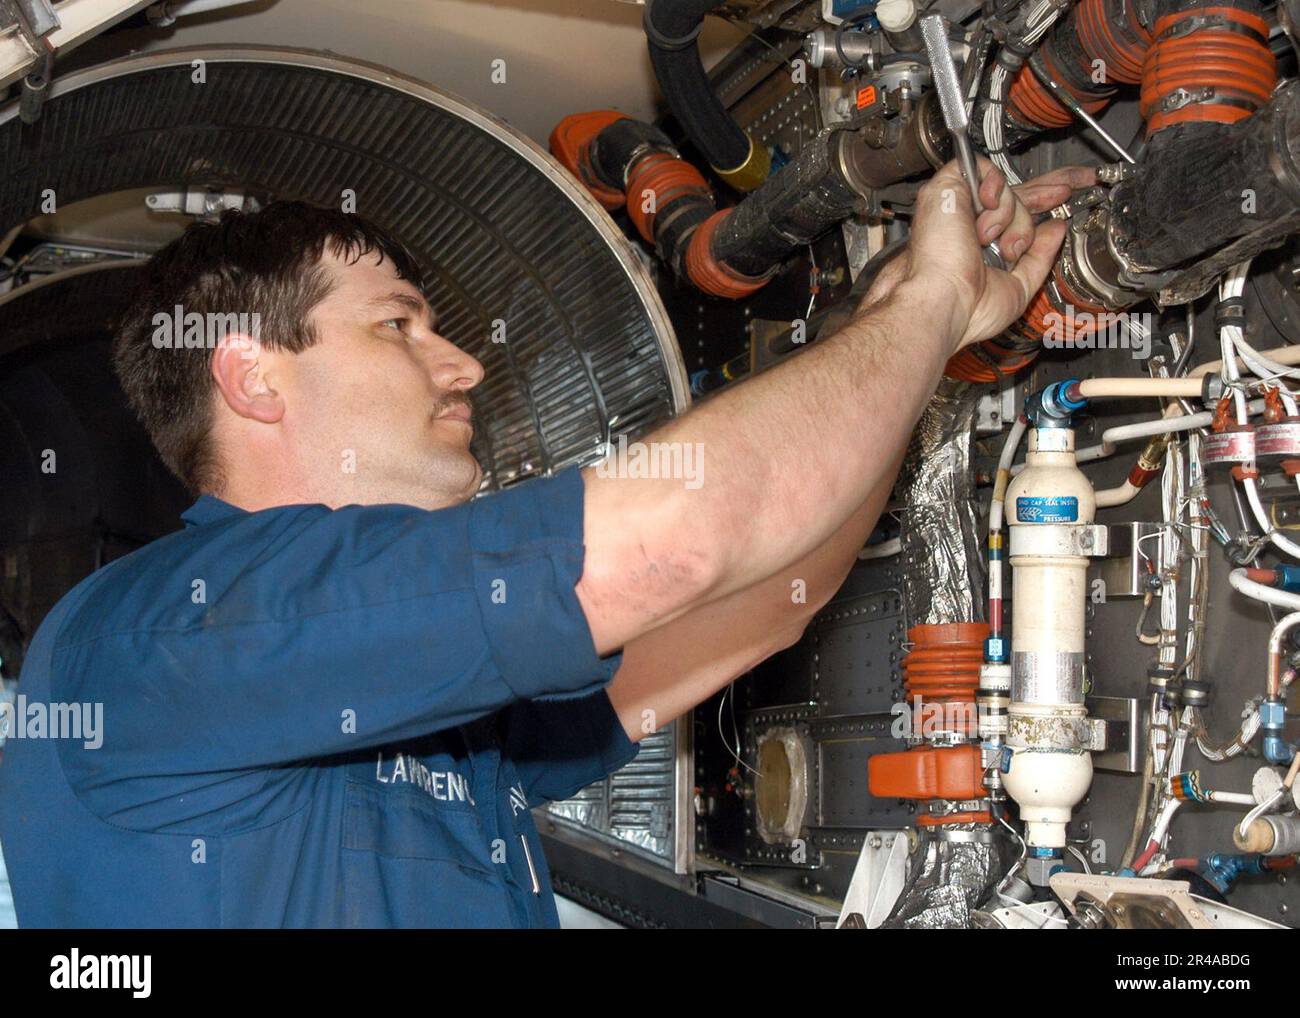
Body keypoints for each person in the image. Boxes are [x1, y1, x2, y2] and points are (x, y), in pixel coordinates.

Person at [0, 158, 1090, 927]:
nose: (463, 364)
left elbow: (777, 594)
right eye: (398, 324)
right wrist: (933, 309)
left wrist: (888, 319)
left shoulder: (420, 691)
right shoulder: (182, 625)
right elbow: (676, 541)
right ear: (250, 373)